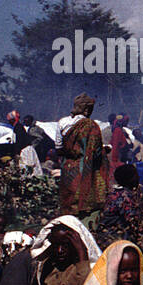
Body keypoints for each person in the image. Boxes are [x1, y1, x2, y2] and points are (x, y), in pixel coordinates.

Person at [58, 93, 108, 221]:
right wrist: (104, 151)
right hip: (83, 171)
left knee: (68, 200)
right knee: (83, 203)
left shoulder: (63, 122)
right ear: (87, 110)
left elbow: (58, 147)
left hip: (67, 168)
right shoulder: (92, 126)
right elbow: (95, 152)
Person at [102, 164, 143, 241]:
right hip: (114, 237)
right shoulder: (125, 197)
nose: (138, 178)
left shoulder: (115, 193)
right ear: (130, 179)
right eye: (136, 176)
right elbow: (134, 226)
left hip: (105, 234)